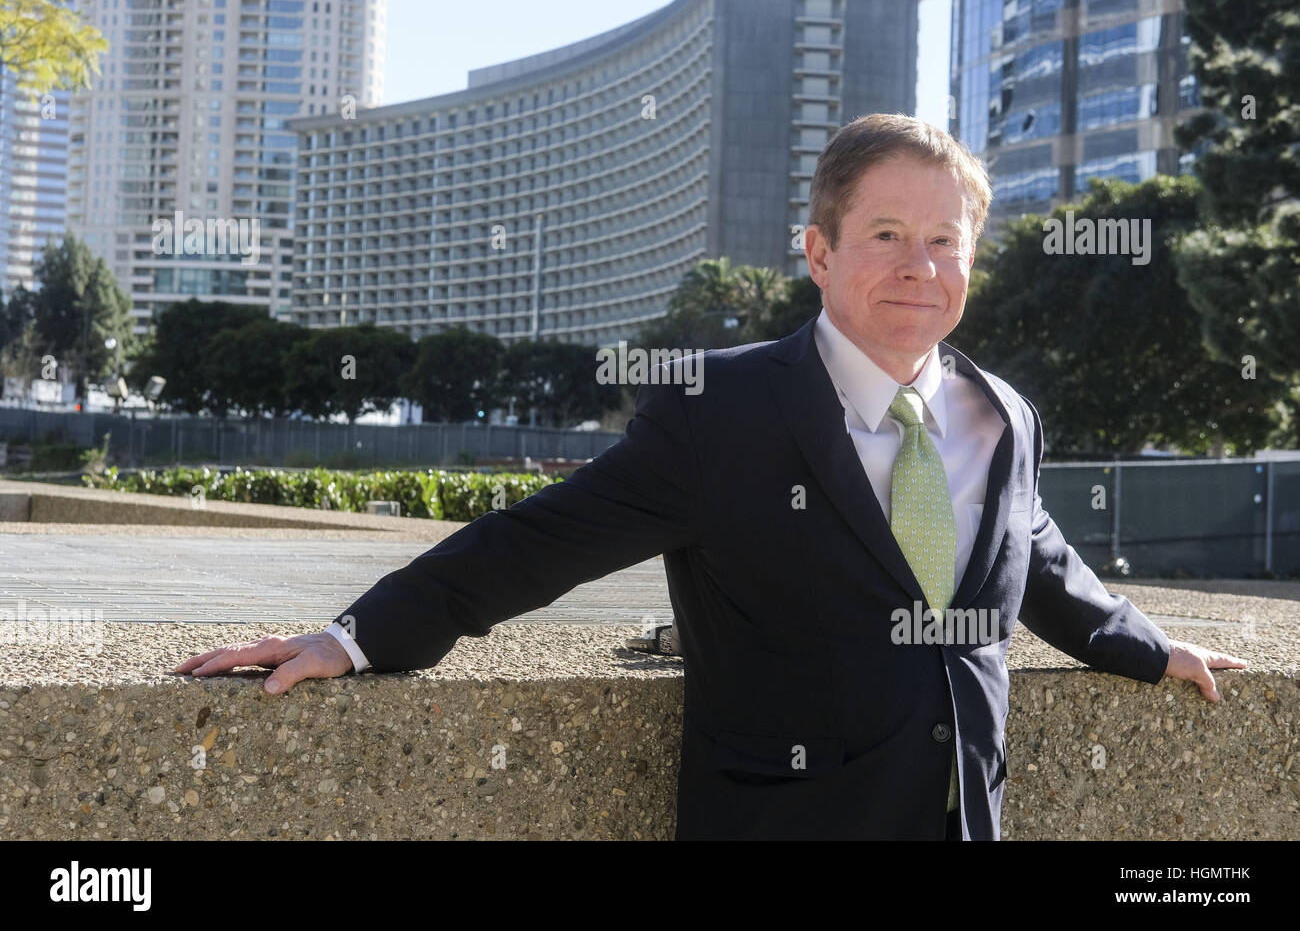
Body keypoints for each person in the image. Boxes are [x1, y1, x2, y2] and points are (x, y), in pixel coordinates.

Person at [174, 113, 1246, 840]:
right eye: (885, 235)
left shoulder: (999, 413)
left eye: (944, 239)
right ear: (818, 253)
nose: (920, 266)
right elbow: (541, 541)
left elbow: (1040, 559)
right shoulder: (720, 408)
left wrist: (1147, 646)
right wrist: (355, 637)